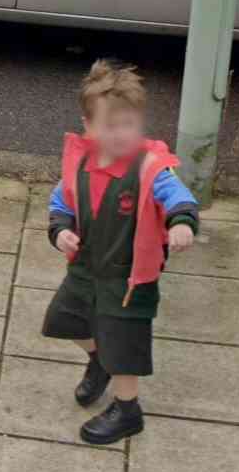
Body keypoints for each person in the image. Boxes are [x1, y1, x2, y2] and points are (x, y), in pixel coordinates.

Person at [42, 61, 201, 445]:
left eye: (128, 125)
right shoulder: (80, 162)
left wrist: (181, 222)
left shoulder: (150, 168)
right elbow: (61, 201)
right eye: (110, 126)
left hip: (128, 278)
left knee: (123, 345)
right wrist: (61, 230)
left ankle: (128, 410)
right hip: (85, 269)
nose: (121, 134)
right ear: (88, 125)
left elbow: (178, 197)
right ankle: (99, 360)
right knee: (64, 320)